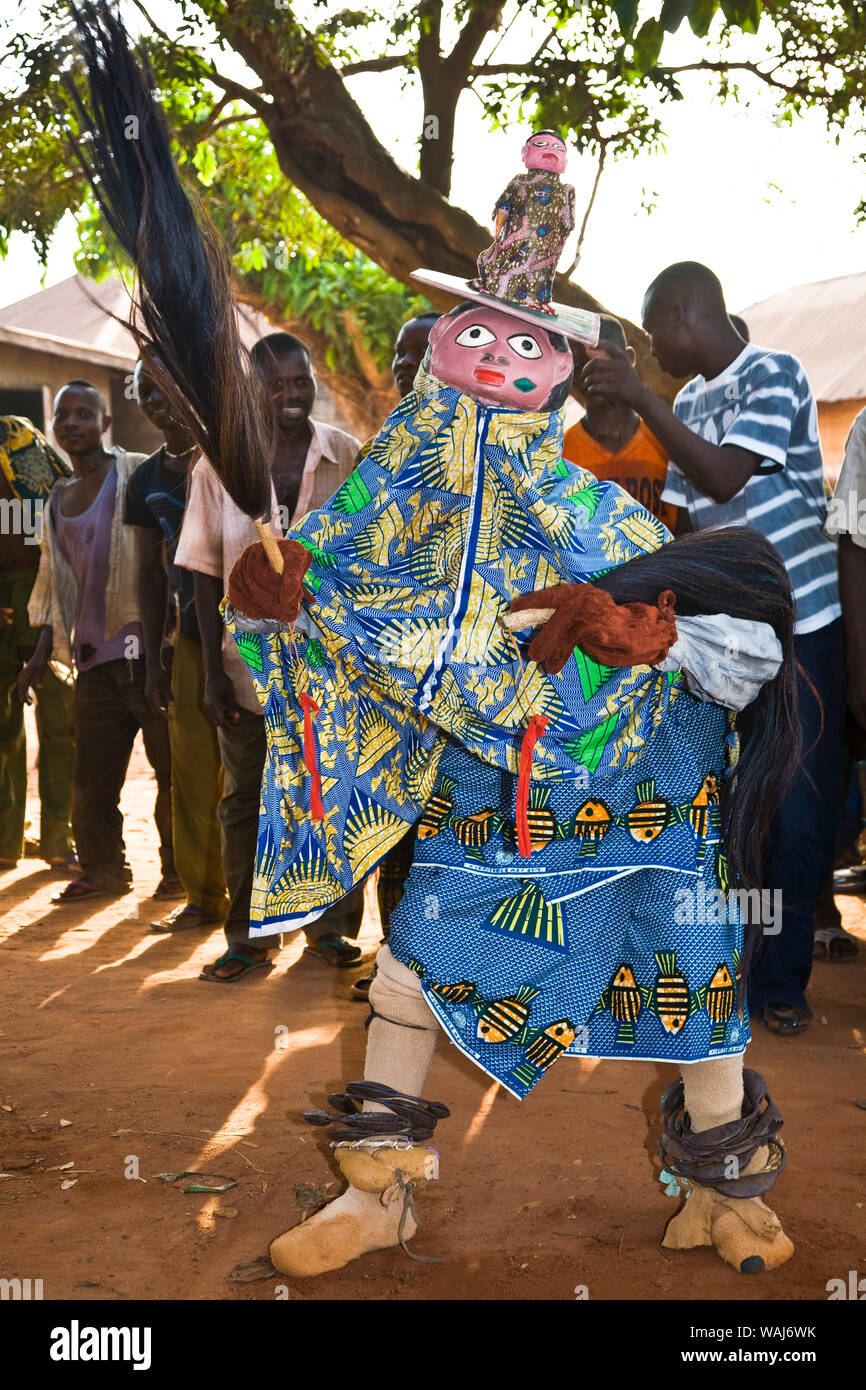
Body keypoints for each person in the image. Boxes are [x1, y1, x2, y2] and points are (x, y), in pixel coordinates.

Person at [65, 19, 799, 1290]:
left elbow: (742, 621)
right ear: (442, 352)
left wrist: (654, 629)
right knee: (418, 957)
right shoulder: (379, 499)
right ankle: (378, 1194)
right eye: (475, 334)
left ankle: (722, 1193)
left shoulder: (591, 505)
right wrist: (271, 607)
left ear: (556, 370)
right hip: (486, 800)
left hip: (640, 794)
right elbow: (309, 626)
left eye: (526, 343)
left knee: (691, 959)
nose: (497, 353)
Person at [581, 261, 844, 1037]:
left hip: (807, 625)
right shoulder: (689, 400)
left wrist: (640, 397)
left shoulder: (776, 372)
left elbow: (726, 477)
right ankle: (736, 967)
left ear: (687, 311)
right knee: (741, 807)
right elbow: (697, 526)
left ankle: (781, 984)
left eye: (656, 328)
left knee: (798, 809)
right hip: (732, 639)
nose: (654, 349)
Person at [175, 333, 364, 981]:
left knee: (329, 797)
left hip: (329, 670)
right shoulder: (217, 465)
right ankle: (250, 938)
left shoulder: (346, 456)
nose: (290, 395)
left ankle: (331, 931)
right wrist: (209, 674)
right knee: (246, 803)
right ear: (253, 389)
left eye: (300, 381)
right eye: (275, 384)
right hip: (246, 669)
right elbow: (201, 574)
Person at [19, 381, 178, 903]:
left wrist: (162, 651)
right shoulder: (57, 502)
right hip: (93, 663)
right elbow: (53, 584)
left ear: (105, 424)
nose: (71, 423)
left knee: (172, 776)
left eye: (84, 414)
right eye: (63, 415)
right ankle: (105, 870)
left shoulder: (134, 472)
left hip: (150, 657)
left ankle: (180, 873)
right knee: (91, 781)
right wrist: (40, 657)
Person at [125, 357, 228, 932]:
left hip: (251, 637)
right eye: (147, 391)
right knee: (190, 775)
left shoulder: (229, 459)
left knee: (252, 775)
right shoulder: (144, 481)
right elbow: (148, 572)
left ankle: (266, 905)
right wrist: (151, 659)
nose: (159, 400)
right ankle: (204, 899)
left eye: (169, 387)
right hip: (187, 637)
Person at [0, 417, 76, 871]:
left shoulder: (28, 447)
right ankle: (7, 841)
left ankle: (58, 841)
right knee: (3, 727)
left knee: (59, 722)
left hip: (49, 594)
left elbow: (70, 537)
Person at [562, 314, 679, 530]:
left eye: (599, 356)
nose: (589, 369)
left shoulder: (669, 442)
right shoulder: (559, 456)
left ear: (629, 358)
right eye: (578, 361)